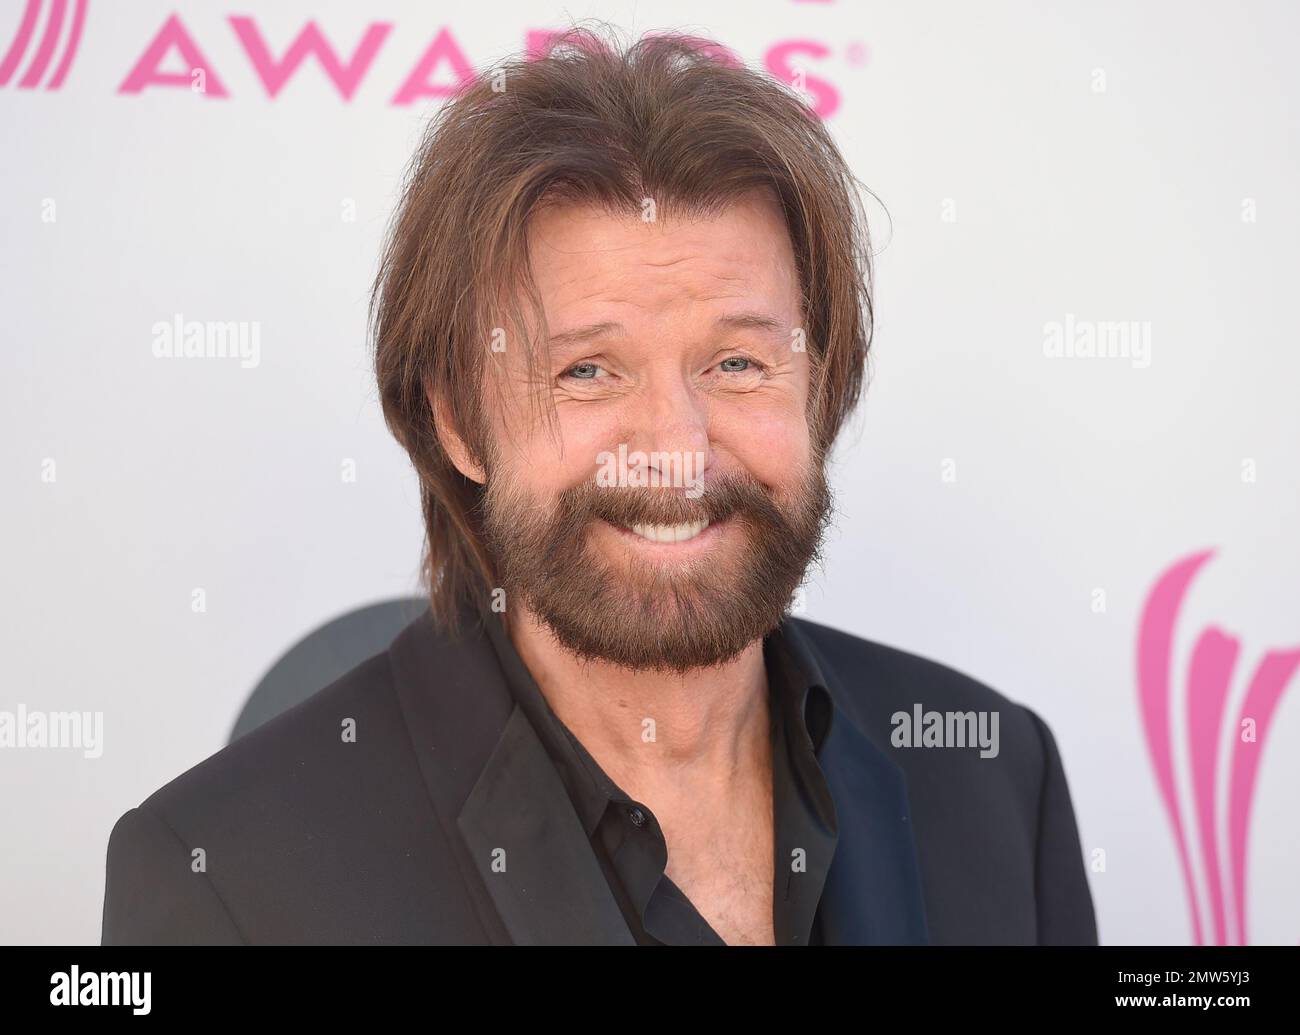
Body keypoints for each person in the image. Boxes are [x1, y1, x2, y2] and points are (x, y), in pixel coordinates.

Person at [101, 26, 1097, 946]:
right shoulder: (225, 877)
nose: (674, 447)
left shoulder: (996, 776)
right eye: (587, 371)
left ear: (822, 387)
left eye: (739, 363)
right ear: (458, 421)